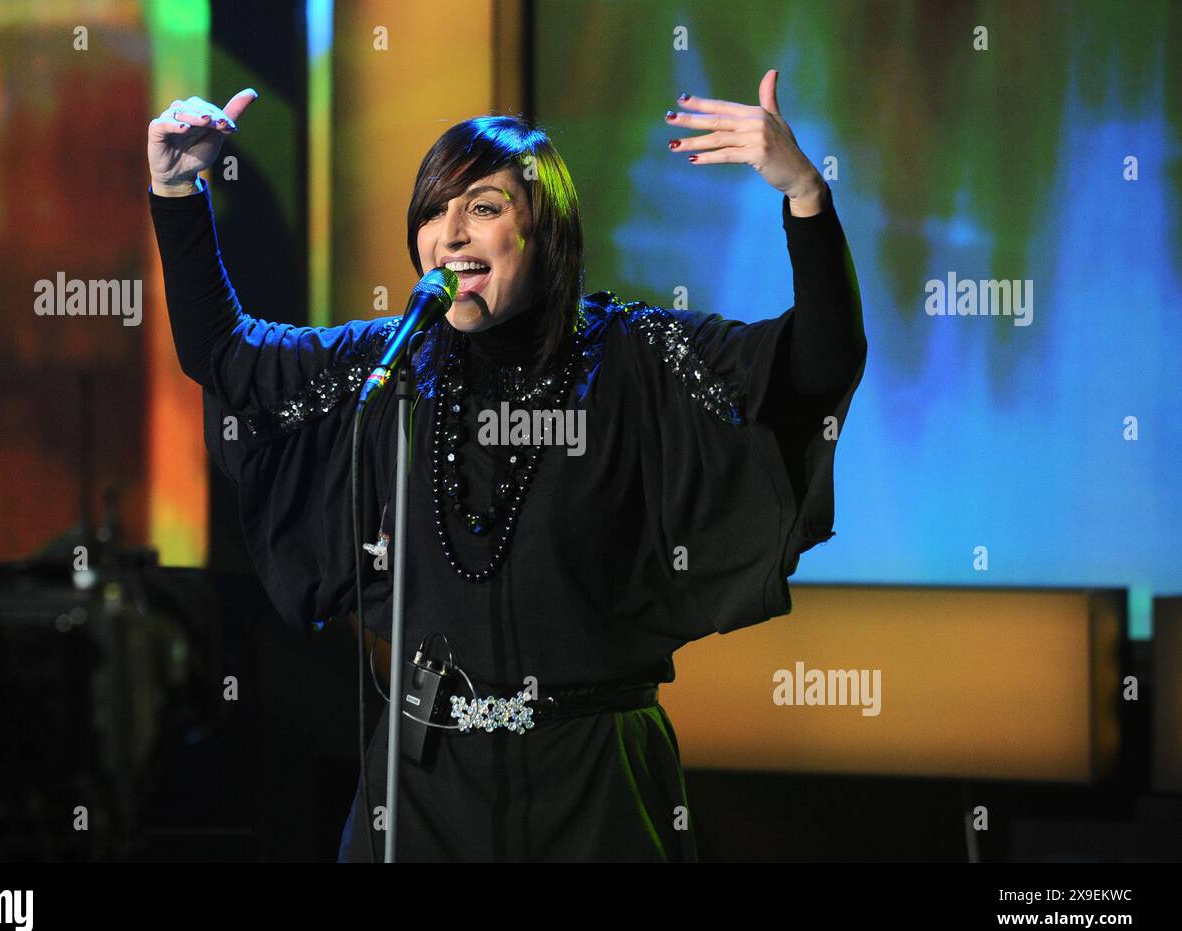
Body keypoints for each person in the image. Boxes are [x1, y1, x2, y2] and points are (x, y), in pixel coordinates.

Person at [147, 71, 866, 862]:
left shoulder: (636, 357)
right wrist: (178, 194)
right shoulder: (394, 362)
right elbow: (225, 355)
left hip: (591, 782)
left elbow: (817, 365)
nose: (448, 233)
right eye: (432, 212)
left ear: (544, 230)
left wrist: (805, 195)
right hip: (424, 781)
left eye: (483, 207)